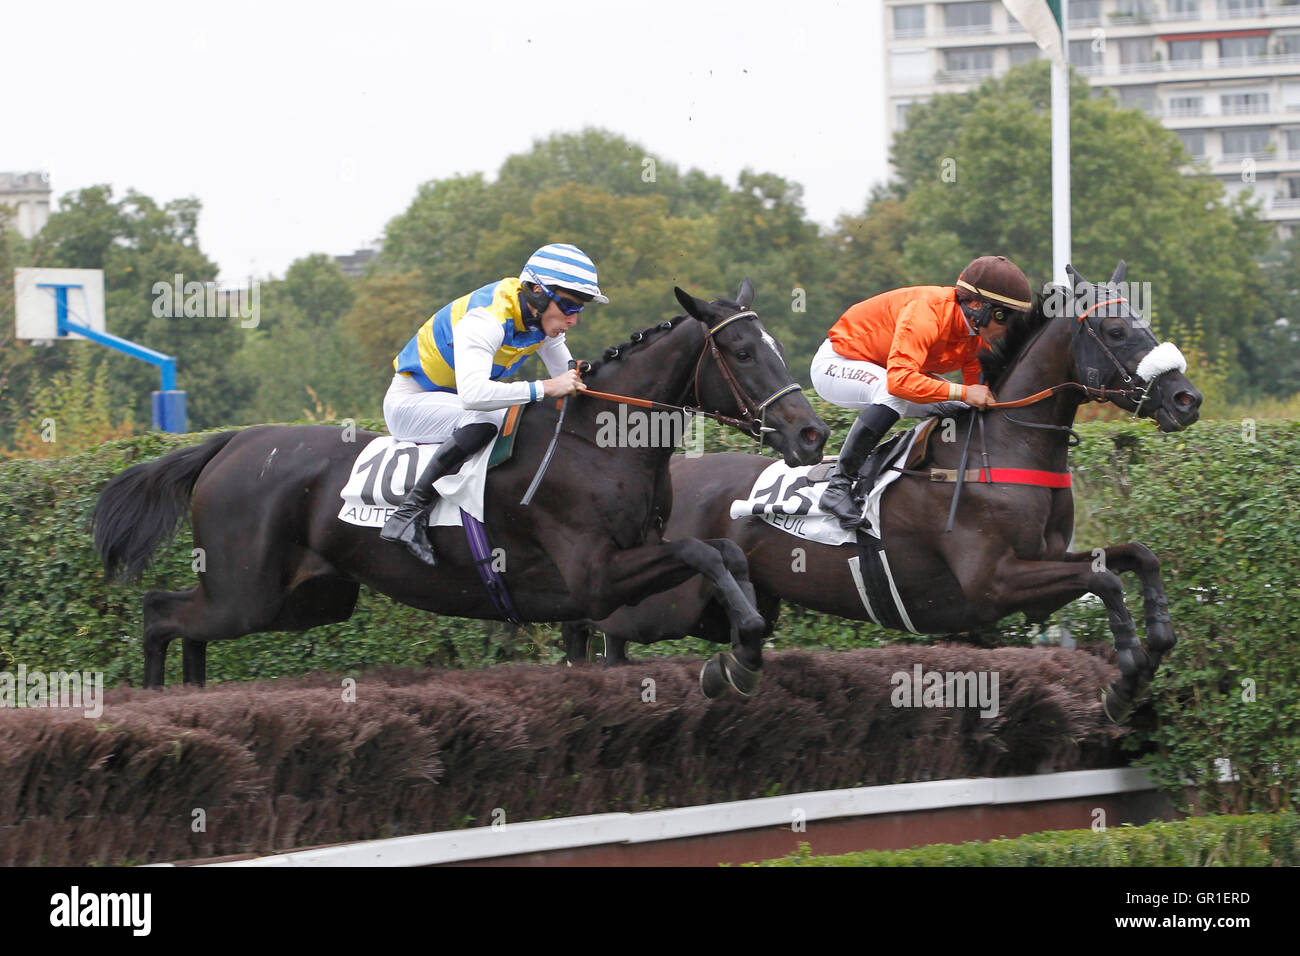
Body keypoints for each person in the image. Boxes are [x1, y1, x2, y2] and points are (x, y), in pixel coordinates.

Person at [380, 243, 606, 565]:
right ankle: (407, 513)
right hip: (411, 405)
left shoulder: (539, 320)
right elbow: (475, 395)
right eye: (569, 308)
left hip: (451, 402)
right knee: (495, 415)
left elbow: (566, 380)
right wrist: (546, 387)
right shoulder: (485, 319)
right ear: (538, 293)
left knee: (524, 411)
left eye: (579, 310)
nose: (573, 320)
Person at [810, 255, 1032, 529]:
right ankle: (838, 487)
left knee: (957, 408)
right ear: (977, 306)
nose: (1008, 329)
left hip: (885, 368)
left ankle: (891, 475)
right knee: (893, 393)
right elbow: (900, 382)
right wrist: (964, 393)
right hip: (839, 363)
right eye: (1004, 317)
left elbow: (978, 392)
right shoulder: (926, 313)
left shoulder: (976, 334)